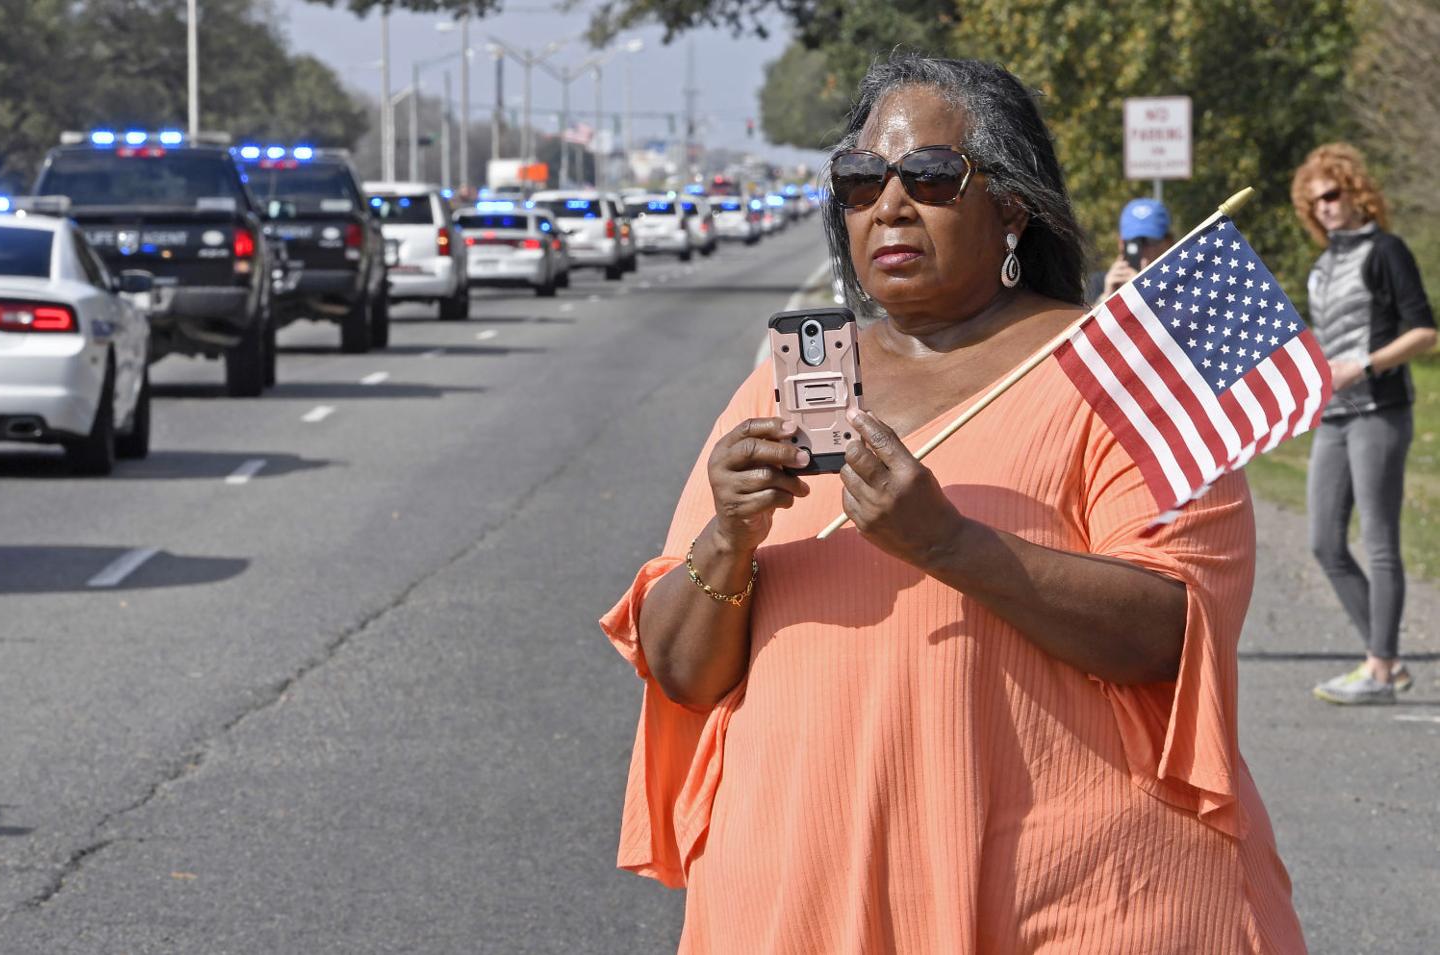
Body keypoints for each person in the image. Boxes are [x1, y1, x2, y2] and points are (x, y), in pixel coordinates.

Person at [600, 53, 1304, 953]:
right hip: (798, 898)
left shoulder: (1125, 371)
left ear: (1010, 205)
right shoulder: (791, 385)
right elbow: (680, 670)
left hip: (1072, 897)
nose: (889, 205)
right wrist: (731, 535)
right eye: (859, 181)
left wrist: (949, 543)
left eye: (930, 177)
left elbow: (1172, 630)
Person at [1292, 143, 1437, 706]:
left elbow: (1425, 332)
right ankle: (1387, 659)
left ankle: (1379, 667)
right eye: (1313, 201)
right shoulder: (1322, 266)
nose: (1324, 208)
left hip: (1381, 411)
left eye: (1331, 195)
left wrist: (1368, 364)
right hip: (1331, 417)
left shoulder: (1386, 250)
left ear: (1355, 192)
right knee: (1324, 542)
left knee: (1379, 542)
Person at [1085, 196, 1174, 304]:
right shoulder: (1099, 283)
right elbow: (1082, 320)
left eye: (1149, 241)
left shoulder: (1179, 283)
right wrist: (1106, 299)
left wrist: (1146, 290)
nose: (1142, 249)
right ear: (1121, 243)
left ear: (1168, 242)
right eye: (1133, 242)